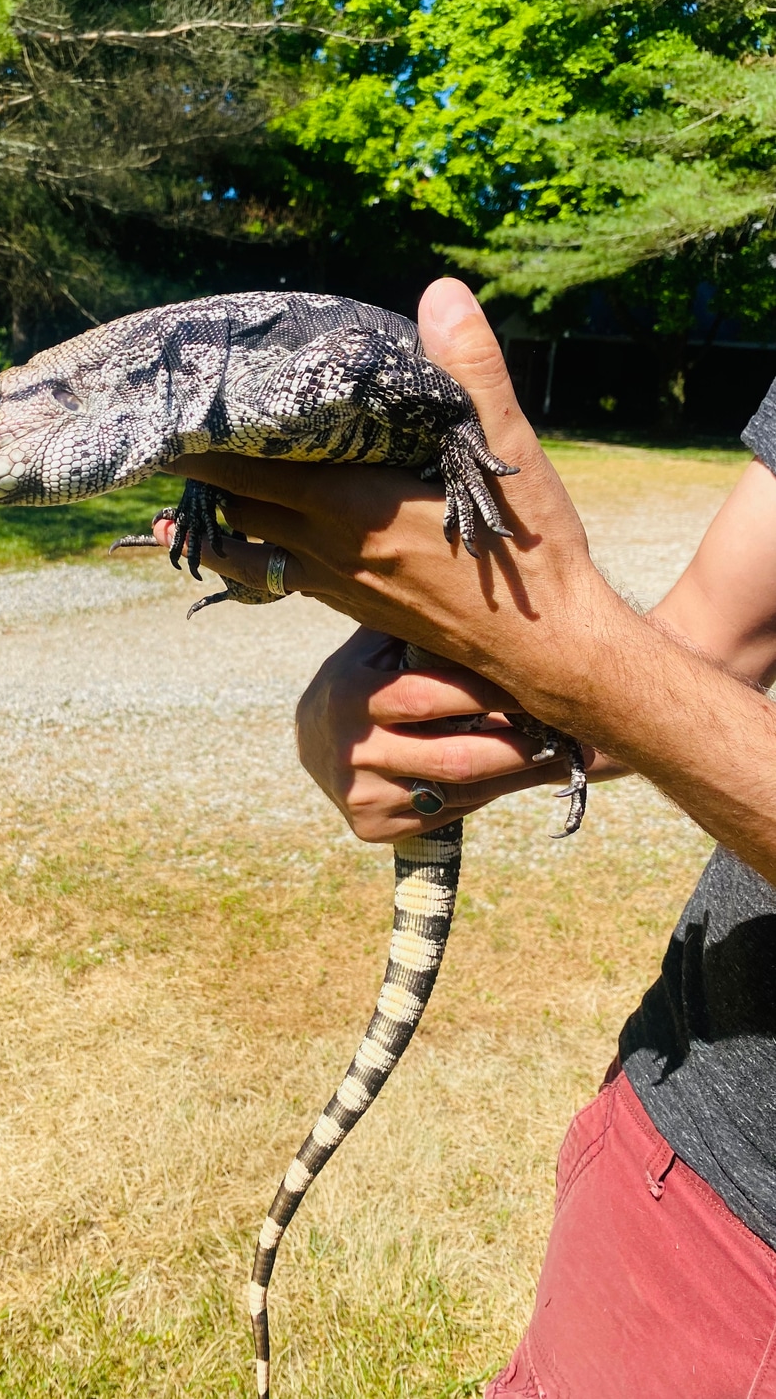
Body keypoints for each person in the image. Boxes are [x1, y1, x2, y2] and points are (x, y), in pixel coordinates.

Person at [149, 279, 776, 1396]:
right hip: (672, 1150)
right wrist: (445, 737)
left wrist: (574, 652)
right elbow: (710, 647)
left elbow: (605, 659)